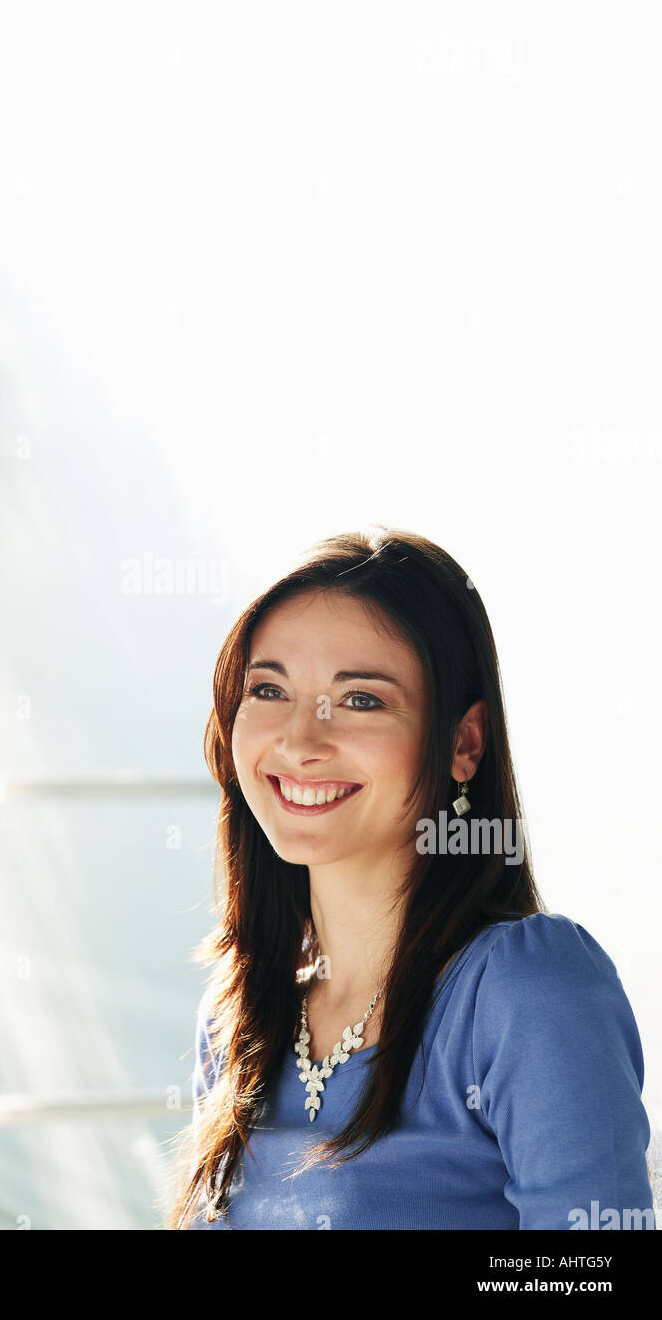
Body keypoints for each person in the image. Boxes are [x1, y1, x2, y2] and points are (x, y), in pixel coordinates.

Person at [165, 526, 655, 1230]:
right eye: (267, 689)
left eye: (360, 699)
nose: (300, 742)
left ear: (463, 744)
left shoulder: (526, 987)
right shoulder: (240, 1004)